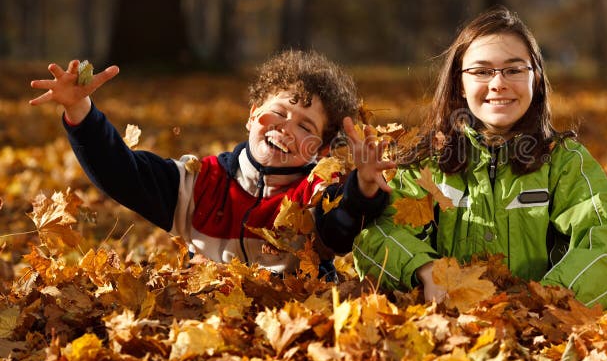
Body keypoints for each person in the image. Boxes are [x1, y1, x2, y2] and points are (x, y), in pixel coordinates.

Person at [352, 6, 607, 309]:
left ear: (535, 79)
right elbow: (377, 233)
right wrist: (426, 272)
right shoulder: (427, 159)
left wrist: (543, 302)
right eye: (482, 71)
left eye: (513, 70)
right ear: (460, 83)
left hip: (542, 333)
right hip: (445, 330)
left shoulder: (565, 162)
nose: (498, 83)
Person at [30, 51, 394, 275]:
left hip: (291, 322)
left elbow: (341, 230)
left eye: (305, 126)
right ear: (252, 116)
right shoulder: (200, 181)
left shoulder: (315, 194)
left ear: (320, 150)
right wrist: (80, 111)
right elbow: (123, 174)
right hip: (207, 313)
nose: (286, 127)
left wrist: (361, 189)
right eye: (278, 112)